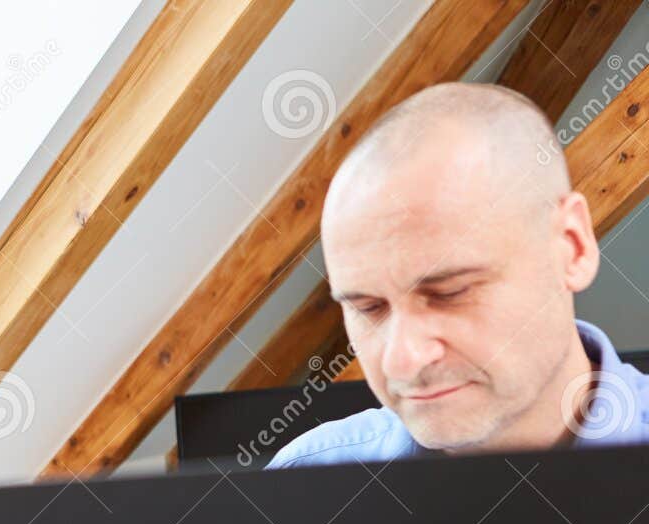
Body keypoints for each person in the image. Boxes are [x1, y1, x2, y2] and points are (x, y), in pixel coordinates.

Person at [269, 83, 648, 468]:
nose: (402, 360)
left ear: (573, 248)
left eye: (451, 292)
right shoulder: (295, 483)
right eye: (368, 308)